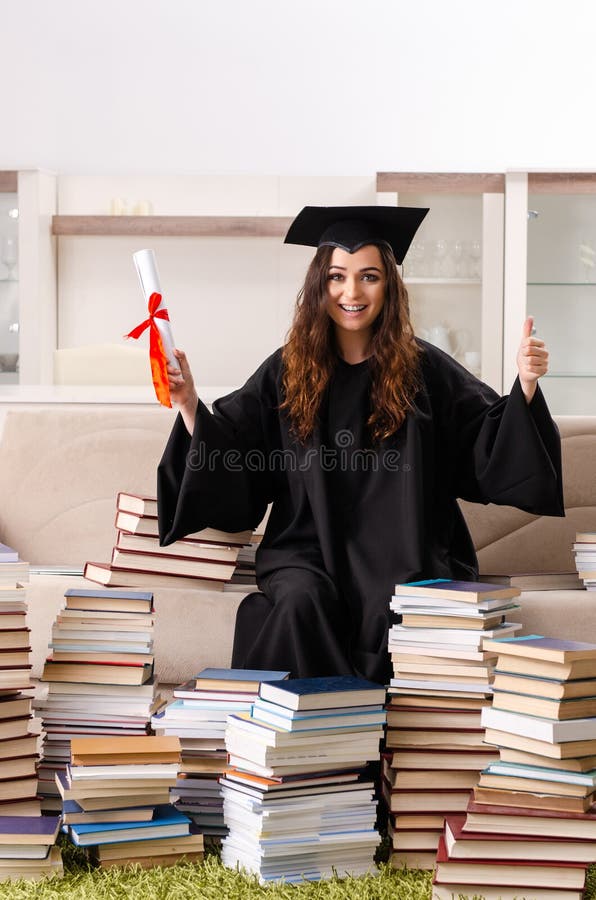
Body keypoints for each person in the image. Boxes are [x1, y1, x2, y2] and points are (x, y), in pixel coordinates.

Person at [157, 205, 564, 686]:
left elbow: (488, 437)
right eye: (337, 277)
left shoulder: (425, 370)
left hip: (405, 547)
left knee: (393, 605)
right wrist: (188, 405)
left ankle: (367, 749)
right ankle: (293, 745)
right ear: (319, 286)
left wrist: (526, 385)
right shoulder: (288, 371)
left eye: (368, 276)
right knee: (297, 602)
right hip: (306, 551)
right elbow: (232, 446)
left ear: (389, 286)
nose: (351, 293)